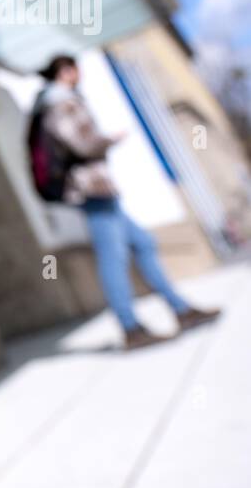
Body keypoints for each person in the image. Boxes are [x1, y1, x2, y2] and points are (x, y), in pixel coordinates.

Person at [31, 55, 220, 350]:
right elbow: (79, 143)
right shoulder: (59, 102)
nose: (79, 74)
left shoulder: (60, 101)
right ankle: (131, 329)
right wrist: (109, 139)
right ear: (66, 71)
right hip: (92, 190)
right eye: (76, 69)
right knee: (113, 257)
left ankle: (181, 310)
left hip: (101, 189)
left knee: (143, 243)